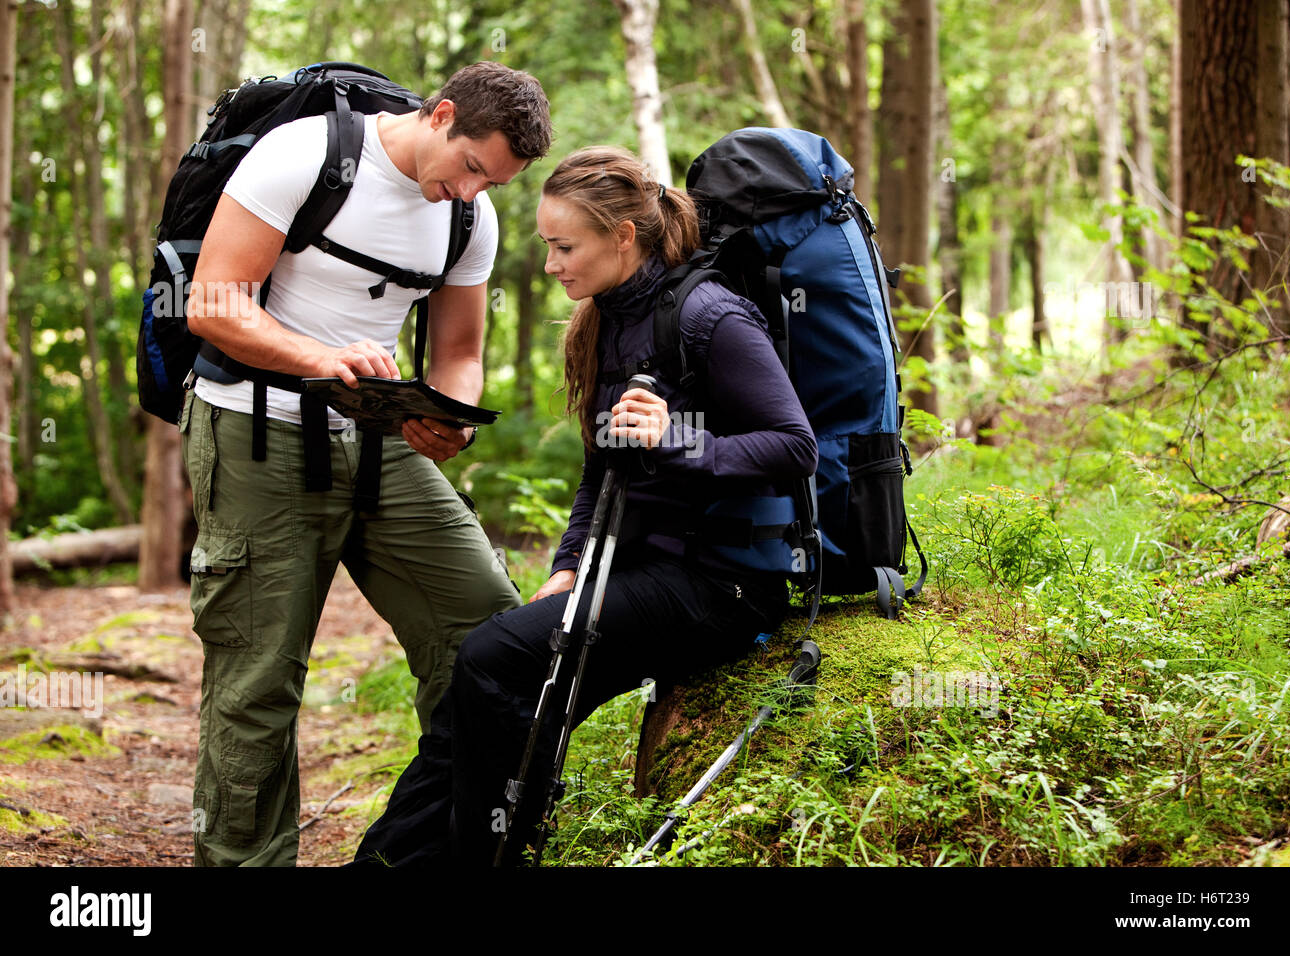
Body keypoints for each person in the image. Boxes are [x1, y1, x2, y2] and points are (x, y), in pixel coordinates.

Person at [351, 145, 817, 867]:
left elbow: (794, 446)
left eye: (565, 246)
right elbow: (600, 468)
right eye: (546, 246)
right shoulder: (608, 320)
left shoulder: (709, 315)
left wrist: (684, 447)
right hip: (638, 570)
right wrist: (569, 564)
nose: (550, 265)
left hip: (721, 583)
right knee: (480, 699)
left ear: (622, 237)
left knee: (490, 657)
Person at [180, 61, 552, 866]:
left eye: (494, 183)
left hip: (379, 442)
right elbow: (212, 303)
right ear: (442, 114)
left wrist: (450, 421)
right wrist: (322, 356)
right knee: (258, 683)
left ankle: (435, 849)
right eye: (471, 168)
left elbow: (458, 354)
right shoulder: (303, 154)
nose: (472, 193)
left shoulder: (469, 220)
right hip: (255, 431)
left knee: (488, 629)